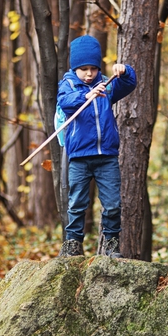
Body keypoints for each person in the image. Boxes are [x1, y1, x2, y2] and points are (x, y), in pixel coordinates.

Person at [57, 35, 137, 259]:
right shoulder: (68, 84)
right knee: (77, 203)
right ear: (75, 68)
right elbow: (66, 101)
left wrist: (125, 70)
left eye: (93, 68)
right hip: (80, 156)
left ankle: (111, 244)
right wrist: (86, 95)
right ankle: (72, 243)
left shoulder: (106, 85)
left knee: (112, 204)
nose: (89, 74)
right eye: (84, 69)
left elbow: (129, 84)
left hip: (106, 156)